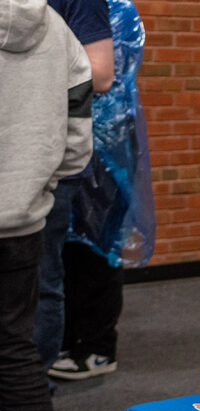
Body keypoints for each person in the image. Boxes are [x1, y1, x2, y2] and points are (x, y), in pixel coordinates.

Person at [0, 0, 94, 411]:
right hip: (22, 219)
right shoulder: (56, 27)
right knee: (15, 351)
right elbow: (78, 133)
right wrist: (43, 185)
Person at [51, 0, 154, 381]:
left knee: (95, 246)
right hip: (88, 135)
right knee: (71, 246)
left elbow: (102, 76)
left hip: (103, 143)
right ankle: (70, 339)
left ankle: (95, 347)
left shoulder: (96, 5)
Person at [33, 0, 112, 373]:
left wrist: (58, 173)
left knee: (41, 279)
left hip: (48, 166)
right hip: (40, 164)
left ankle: (28, 393)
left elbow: (100, 76)